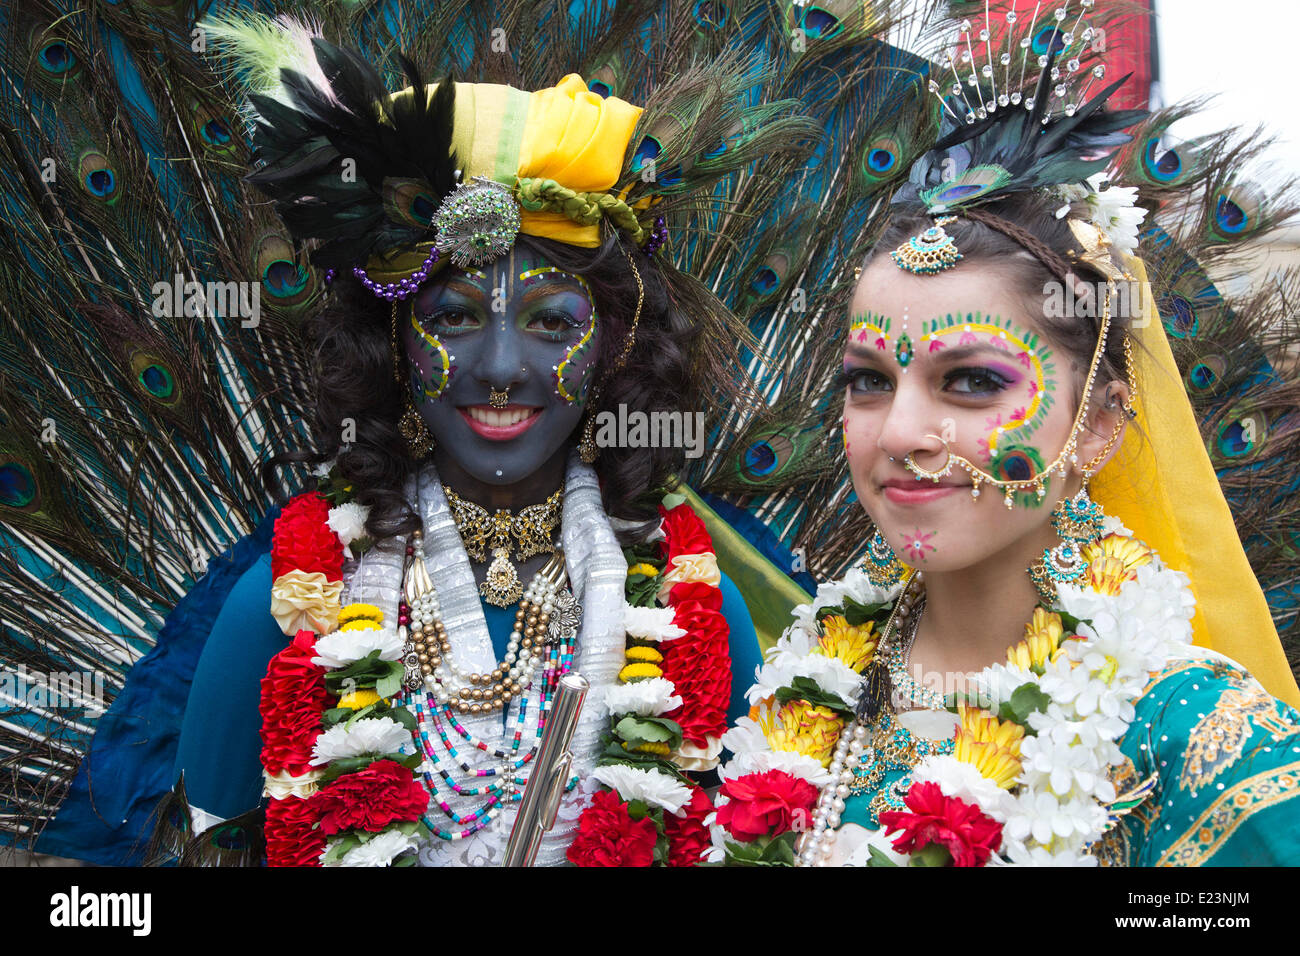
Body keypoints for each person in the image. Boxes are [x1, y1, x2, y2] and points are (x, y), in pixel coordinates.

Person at [708, 11, 1300, 867]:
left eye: (973, 381)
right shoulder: (800, 682)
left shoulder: (1201, 744)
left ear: (1098, 425)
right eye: (869, 381)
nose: (902, 432)